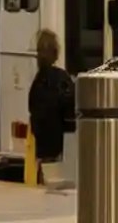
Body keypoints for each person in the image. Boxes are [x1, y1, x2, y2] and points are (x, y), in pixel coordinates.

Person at [27, 29, 75, 193]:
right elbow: (70, 106)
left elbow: (32, 107)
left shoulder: (38, 81)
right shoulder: (62, 78)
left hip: (42, 143)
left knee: (45, 181)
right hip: (59, 142)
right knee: (58, 183)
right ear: (56, 54)